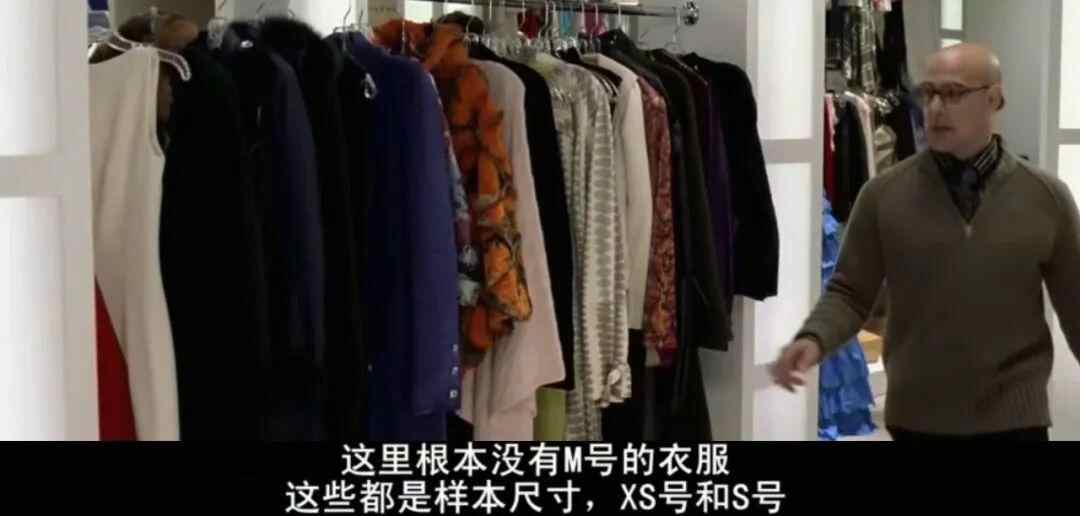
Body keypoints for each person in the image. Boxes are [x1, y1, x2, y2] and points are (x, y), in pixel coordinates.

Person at [771, 43, 1080, 441]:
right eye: (928, 93)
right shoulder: (884, 194)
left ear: (994, 99)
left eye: (952, 93)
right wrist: (814, 338)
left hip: (1015, 420)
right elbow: (850, 292)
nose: (934, 107)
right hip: (917, 418)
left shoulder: (1045, 197)